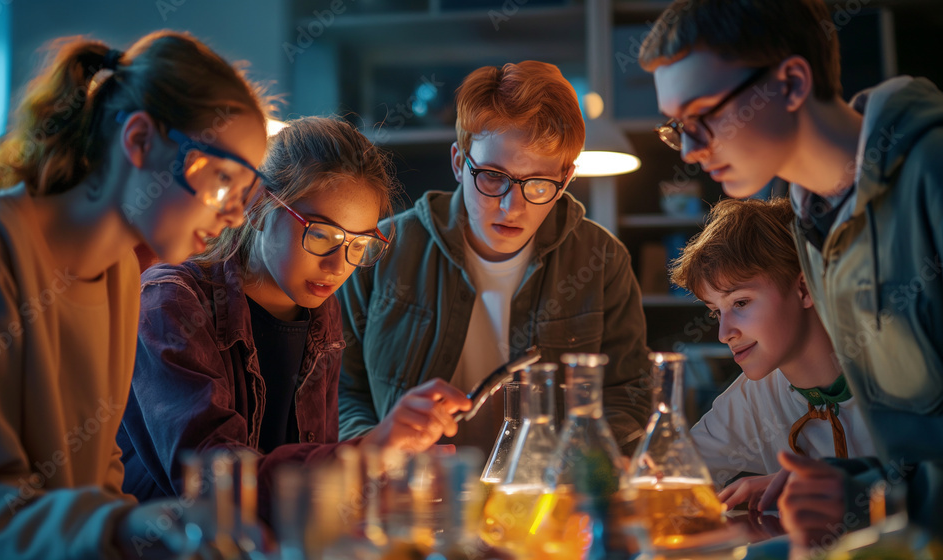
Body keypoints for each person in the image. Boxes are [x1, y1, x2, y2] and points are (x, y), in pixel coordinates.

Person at [0, 32, 271, 559]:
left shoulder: (120, 271)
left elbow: (97, 479)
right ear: (138, 140)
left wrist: (141, 529)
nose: (234, 214)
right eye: (221, 181)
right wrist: (130, 524)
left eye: (244, 193)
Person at [640, 0, 943, 549]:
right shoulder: (815, 227)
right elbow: (916, 459)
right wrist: (852, 488)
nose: (689, 150)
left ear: (792, 83)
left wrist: (873, 497)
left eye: (704, 114)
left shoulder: (931, 174)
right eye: (677, 128)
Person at [116, 117, 471, 514]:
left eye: (358, 245)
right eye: (321, 235)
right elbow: (215, 483)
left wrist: (388, 475)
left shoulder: (320, 307)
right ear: (257, 206)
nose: (337, 266)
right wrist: (366, 455)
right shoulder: (170, 303)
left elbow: (311, 486)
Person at [338, 60, 652, 456]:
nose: (511, 206)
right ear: (459, 162)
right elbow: (338, 390)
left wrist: (579, 461)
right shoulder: (381, 250)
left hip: (548, 491)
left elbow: (630, 394)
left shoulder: (602, 261)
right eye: (491, 176)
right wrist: (380, 451)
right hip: (407, 485)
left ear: (565, 180)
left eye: (538, 184)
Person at [671, 198, 875, 510]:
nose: (725, 333)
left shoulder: (894, 373)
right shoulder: (752, 397)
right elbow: (678, 475)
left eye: (741, 303)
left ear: (804, 289)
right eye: (716, 312)